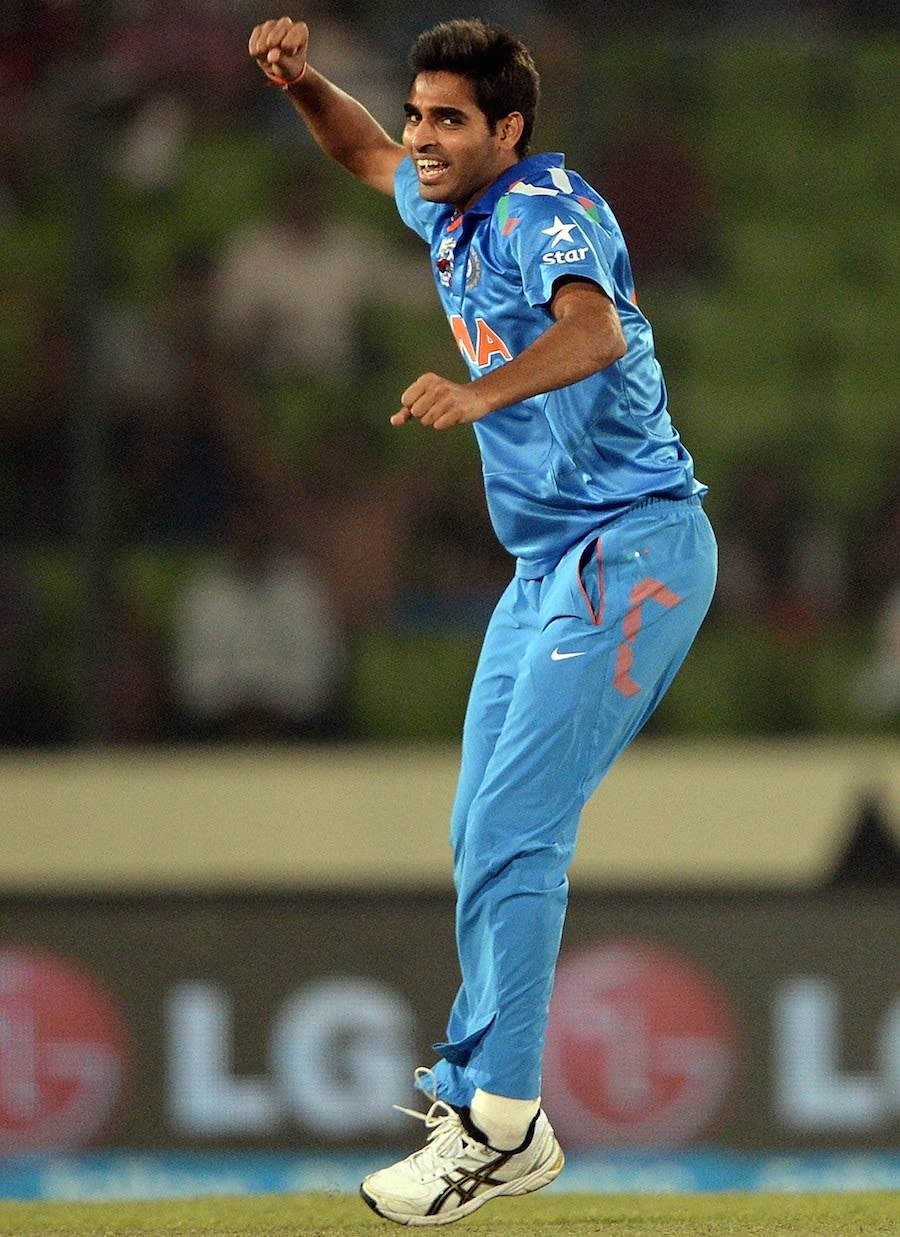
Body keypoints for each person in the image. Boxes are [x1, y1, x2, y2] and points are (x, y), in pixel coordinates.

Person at [249, 15, 718, 1226]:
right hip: (549, 566)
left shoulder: (539, 206)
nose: (421, 138)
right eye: (418, 113)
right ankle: (495, 1107)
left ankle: (498, 1123)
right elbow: (362, 159)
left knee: (517, 817)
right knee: (480, 826)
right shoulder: (443, 200)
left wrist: (478, 389)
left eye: (448, 120)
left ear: (509, 129)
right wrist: (307, 87)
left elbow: (594, 330)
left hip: (636, 544)